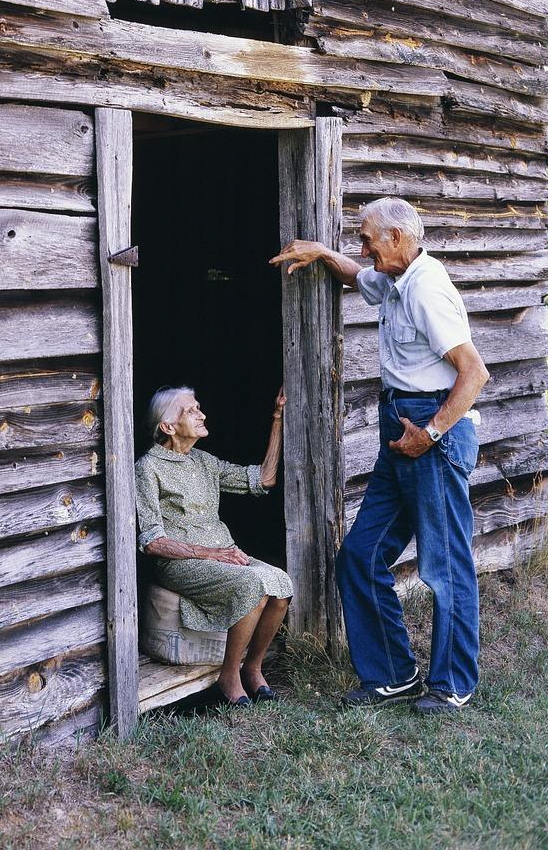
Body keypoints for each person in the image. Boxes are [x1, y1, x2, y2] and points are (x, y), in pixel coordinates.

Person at [271, 196, 489, 715]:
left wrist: (431, 433)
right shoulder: (394, 277)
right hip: (402, 430)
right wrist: (323, 253)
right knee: (361, 557)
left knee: (444, 565)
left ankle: (454, 683)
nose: (362, 247)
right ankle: (394, 673)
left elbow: (474, 373)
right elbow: (355, 278)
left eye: (367, 238)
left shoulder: (427, 289)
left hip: (431, 432)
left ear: (397, 238)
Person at [134, 385, 292, 706]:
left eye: (198, 407)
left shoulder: (204, 462)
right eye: (190, 411)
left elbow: (263, 479)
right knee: (252, 585)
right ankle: (229, 676)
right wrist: (211, 553)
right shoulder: (147, 468)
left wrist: (277, 418)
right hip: (180, 563)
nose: (201, 414)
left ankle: (253, 668)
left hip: (224, 556)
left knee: (281, 586)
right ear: (167, 426)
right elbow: (151, 541)